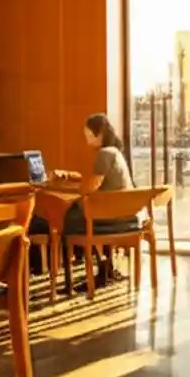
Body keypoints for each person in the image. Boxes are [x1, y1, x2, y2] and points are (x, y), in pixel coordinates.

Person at [42, 113, 136, 285]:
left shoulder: (104, 154)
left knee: (67, 220)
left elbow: (92, 186)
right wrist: (73, 179)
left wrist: (75, 189)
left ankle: (69, 280)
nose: (86, 139)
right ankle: (104, 266)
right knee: (77, 216)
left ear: (98, 134)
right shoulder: (115, 152)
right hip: (123, 214)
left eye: (88, 135)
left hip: (110, 219)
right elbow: (98, 182)